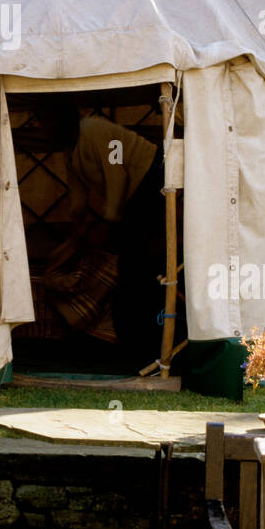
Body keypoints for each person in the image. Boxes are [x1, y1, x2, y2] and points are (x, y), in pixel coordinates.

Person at [34, 102, 166, 358]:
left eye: (46, 123)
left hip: (151, 179)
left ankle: (144, 337)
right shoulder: (69, 150)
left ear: (61, 121)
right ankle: (129, 334)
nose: (42, 130)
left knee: (136, 263)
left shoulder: (94, 130)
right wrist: (77, 226)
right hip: (132, 197)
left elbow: (117, 175)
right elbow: (78, 194)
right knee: (129, 264)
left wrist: (110, 221)